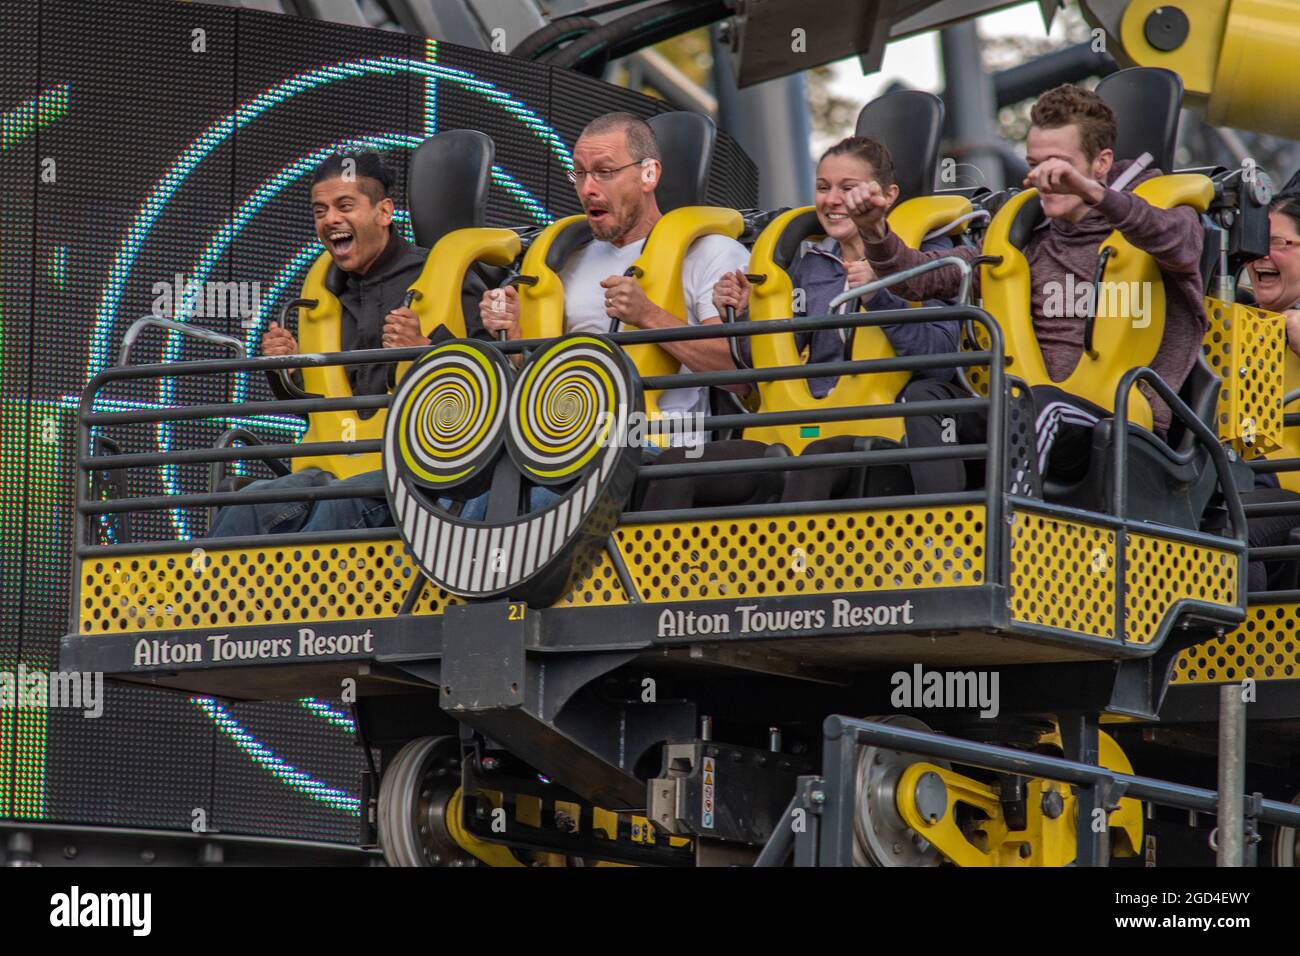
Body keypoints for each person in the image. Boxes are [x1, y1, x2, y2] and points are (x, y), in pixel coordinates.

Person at [845, 84, 1208, 495]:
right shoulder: (1027, 236)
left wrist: (1094, 193)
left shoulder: (1162, 219)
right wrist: (874, 231)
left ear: (1102, 162)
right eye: (1036, 164)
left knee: (1043, 406)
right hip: (1027, 405)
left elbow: (1177, 242)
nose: (1044, 179)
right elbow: (921, 278)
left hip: (1119, 421)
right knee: (930, 397)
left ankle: (1013, 540)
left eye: (1059, 165)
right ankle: (943, 535)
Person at [473, 111, 751, 513]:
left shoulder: (711, 253)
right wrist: (514, 335)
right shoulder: (564, 263)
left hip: (655, 445)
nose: (587, 189)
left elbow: (738, 374)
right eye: (579, 174)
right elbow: (541, 381)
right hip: (561, 442)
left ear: (648, 174)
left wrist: (649, 316)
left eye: (604, 172)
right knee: (462, 492)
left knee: (532, 501)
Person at [207, 150, 488, 538]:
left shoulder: (444, 278)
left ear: (384, 212)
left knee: (338, 508)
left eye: (344, 206)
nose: (331, 220)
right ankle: (200, 596)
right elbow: (319, 414)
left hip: (419, 469)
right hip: (334, 468)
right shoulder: (322, 297)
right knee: (250, 502)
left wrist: (427, 347)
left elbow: (495, 375)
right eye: (319, 211)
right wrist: (288, 372)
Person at [1239, 193, 1300, 590]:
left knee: (1230, 526)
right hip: (1239, 477)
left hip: (1290, 489)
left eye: (1279, 243)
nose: (1263, 255)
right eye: (1256, 242)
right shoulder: (1236, 318)